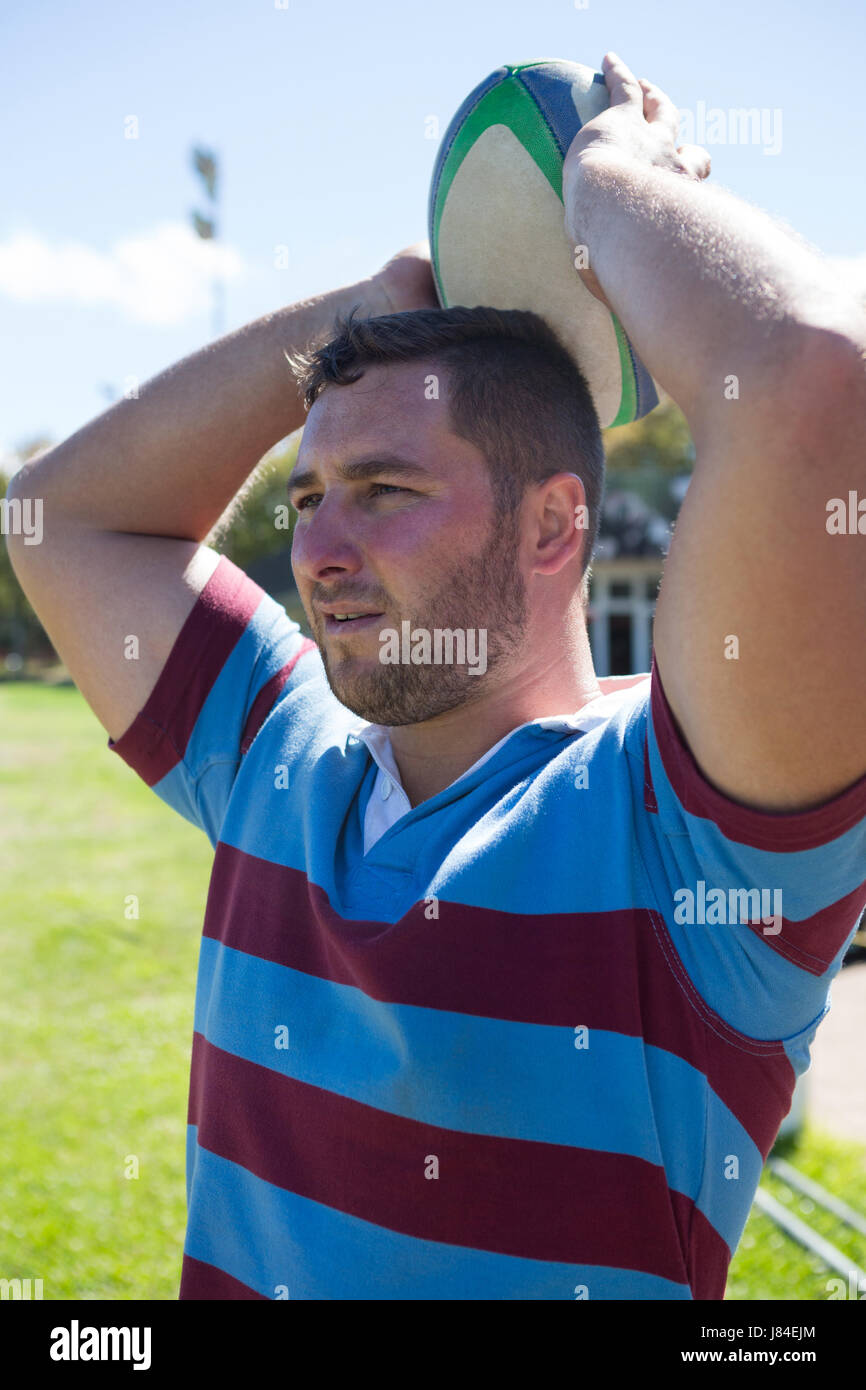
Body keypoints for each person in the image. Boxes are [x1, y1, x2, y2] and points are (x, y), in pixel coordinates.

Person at [7, 52, 866, 1301]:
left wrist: (610, 177)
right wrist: (355, 318)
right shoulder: (271, 746)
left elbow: (812, 380)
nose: (315, 550)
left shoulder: (680, 841)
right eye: (305, 496)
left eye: (384, 492)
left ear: (551, 528)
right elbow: (55, 517)